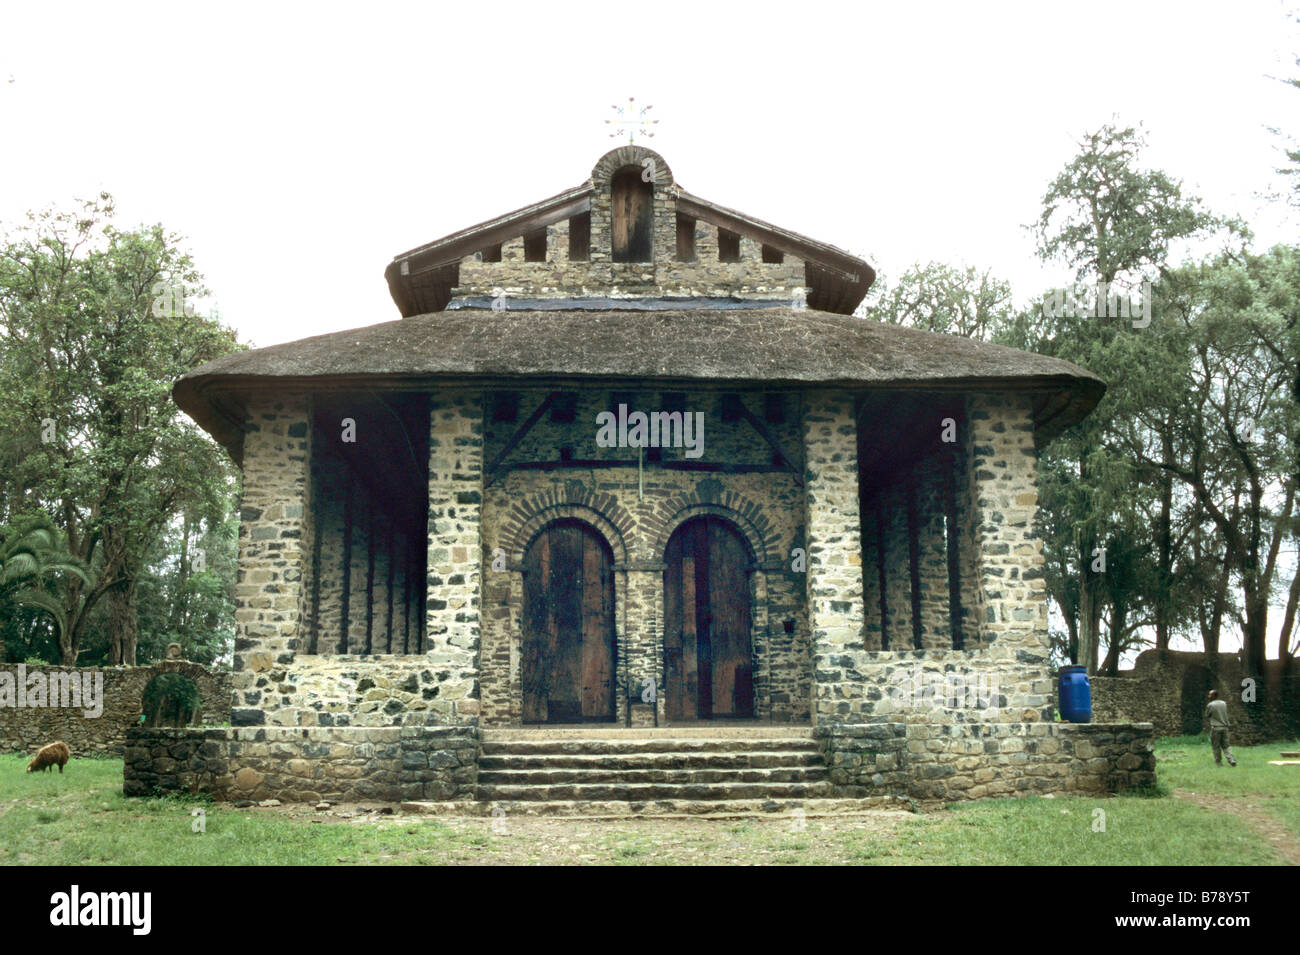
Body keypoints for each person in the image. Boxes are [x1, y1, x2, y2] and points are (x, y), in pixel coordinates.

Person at [1204, 690, 1236, 767]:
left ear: (1214, 696)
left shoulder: (1210, 705)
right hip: (1225, 728)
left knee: (1216, 746)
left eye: (1210, 695)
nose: (1209, 697)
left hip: (1216, 728)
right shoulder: (1224, 703)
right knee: (1226, 745)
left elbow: (1207, 715)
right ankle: (1231, 760)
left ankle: (1218, 762)